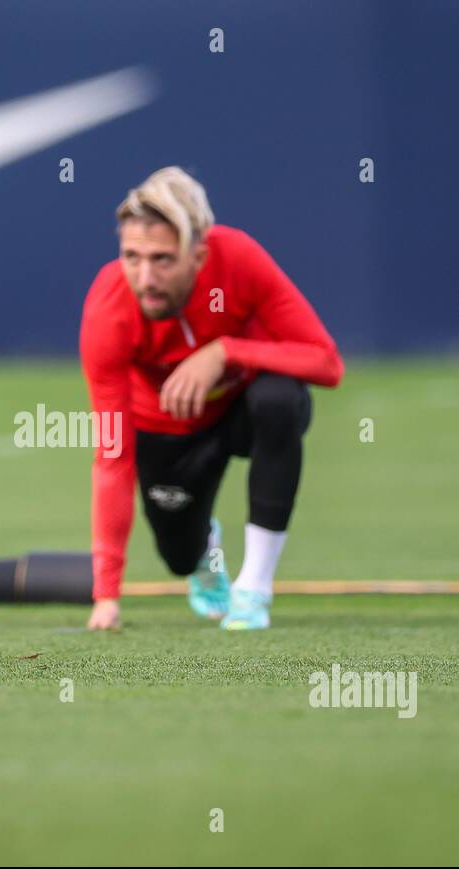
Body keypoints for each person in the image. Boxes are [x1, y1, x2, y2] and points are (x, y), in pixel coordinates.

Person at [80, 167, 343, 631]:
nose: (145, 278)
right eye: (131, 256)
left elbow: (326, 363)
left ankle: (253, 589)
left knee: (279, 399)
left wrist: (224, 352)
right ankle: (206, 551)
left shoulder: (238, 258)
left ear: (198, 256)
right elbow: (113, 454)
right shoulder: (108, 307)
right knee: (179, 558)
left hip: (238, 412)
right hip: (165, 430)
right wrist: (106, 595)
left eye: (162, 259)